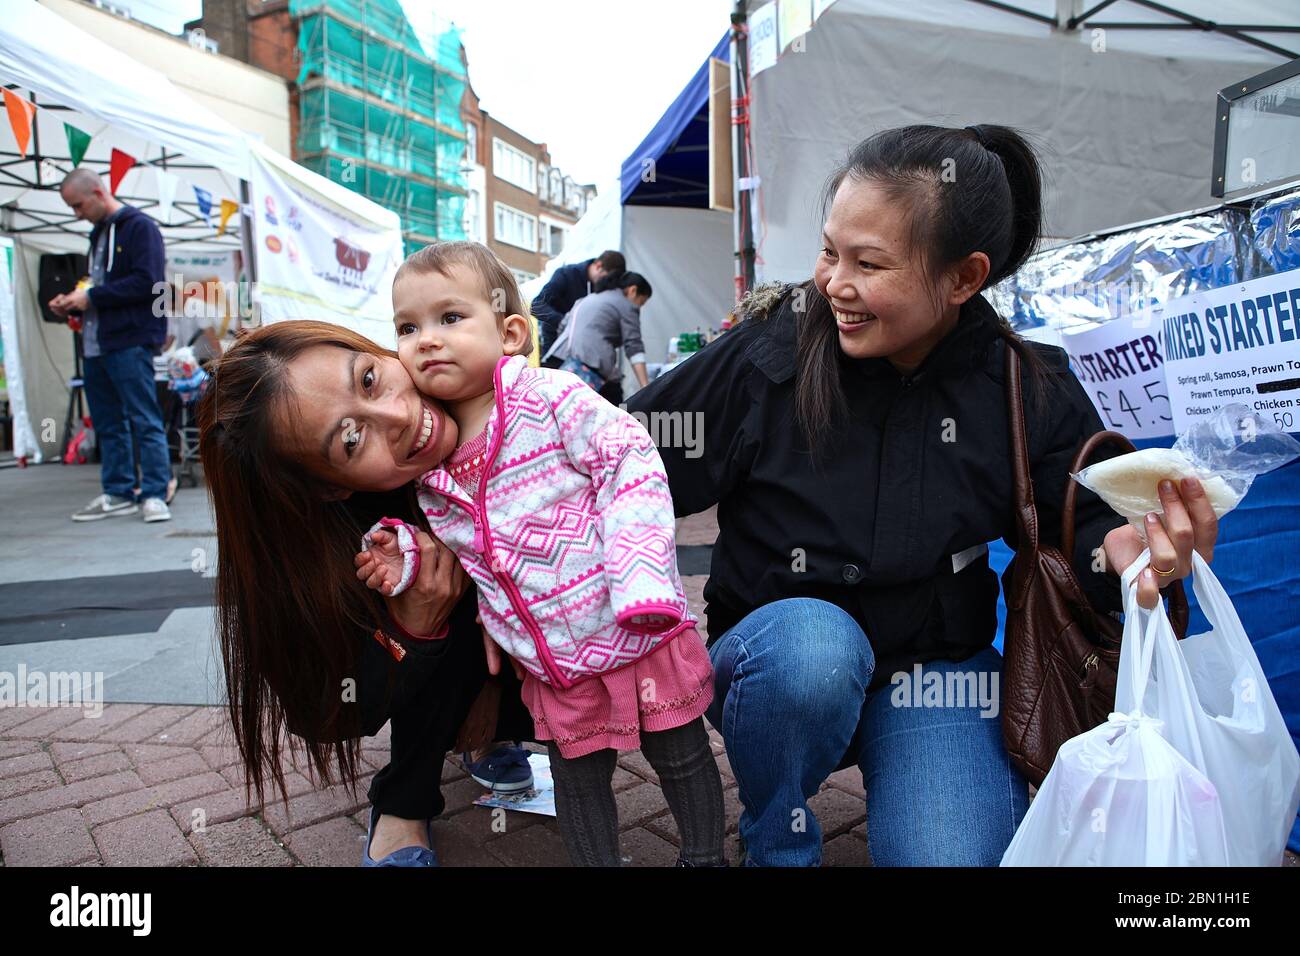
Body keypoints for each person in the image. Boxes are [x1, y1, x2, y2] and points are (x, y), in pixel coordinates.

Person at [626, 123, 1221, 866]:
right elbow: (629, 457)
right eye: (829, 250)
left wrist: (1132, 559)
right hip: (780, 662)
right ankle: (776, 833)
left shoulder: (1024, 387)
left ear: (964, 278)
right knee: (814, 650)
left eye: (869, 264)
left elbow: (1091, 526)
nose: (834, 284)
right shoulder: (769, 354)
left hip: (935, 674)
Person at [356, 241, 726, 866]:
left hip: (637, 627)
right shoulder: (433, 468)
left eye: (450, 318)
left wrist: (640, 573)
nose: (426, 340)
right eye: (407, 327)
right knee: (579, 783)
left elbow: (629, 457)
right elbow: (467, 554)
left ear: (509, 332)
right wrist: (408, 560)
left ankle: (704, 857)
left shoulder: (549, 398)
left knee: (680, 754)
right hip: (554, 661)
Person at [198, 320, 535, 867]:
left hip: (543, 656)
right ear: (330, 486)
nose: (401, 418)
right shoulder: (334, 550)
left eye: (371, 379)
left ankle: (496, 735)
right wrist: (411, 627)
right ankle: (403, 803)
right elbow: (329, 714)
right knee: (429, 589)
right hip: (426, 656)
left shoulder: (496, 386)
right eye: (352, 439)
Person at [50, 168, 172, 523]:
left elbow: (148, 282)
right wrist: (75, 299)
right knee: (108, 422)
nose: (76, 213)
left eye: (78, 205)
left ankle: (154, 492)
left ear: (99, 193)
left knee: (143, 418)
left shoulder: (140, 227)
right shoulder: (98, 233)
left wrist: (91, 297)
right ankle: (118, 490)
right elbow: (100, 283)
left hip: (130, 340)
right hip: (96, 343)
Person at [550, 271, 653, 405]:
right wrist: (646, 386)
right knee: (616, 408)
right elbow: (633, 345)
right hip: (590, 366)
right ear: (633, 290)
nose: (638, 307)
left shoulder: (587, 298)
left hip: (560, 361)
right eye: (641, 302)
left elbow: (562, 326)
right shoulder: (626, 305)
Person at [530, 249, 625, 362]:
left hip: (586, 354)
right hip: (556, 349)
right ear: (598, 266)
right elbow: (536, 305)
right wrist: (566, 322)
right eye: (606, 277)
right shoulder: (566, 274)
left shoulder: (603, 287)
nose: (608, 282)